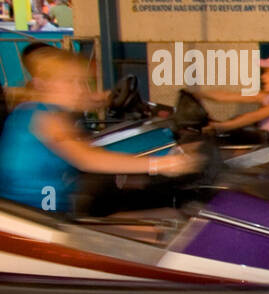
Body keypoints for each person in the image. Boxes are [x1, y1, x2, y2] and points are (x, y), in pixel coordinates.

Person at [0, 49, 201, 212]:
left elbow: (89, 149)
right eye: (70, 82)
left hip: (49, 211)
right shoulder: (46, 118)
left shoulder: (37, 110)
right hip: (39, 220)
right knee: (166, 219)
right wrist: (161, 164)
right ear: (42, 84)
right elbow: (87, 159)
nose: (80, 89)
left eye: (83, 82)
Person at [201, 51, 269, 139]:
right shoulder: (266, 96)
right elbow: (228, 96)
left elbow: (254, 116)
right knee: (235, 122)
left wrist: (223, 127)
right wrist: (200, 94)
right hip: (264, 141)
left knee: (236, 130)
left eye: (268, 73)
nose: (263, 77)